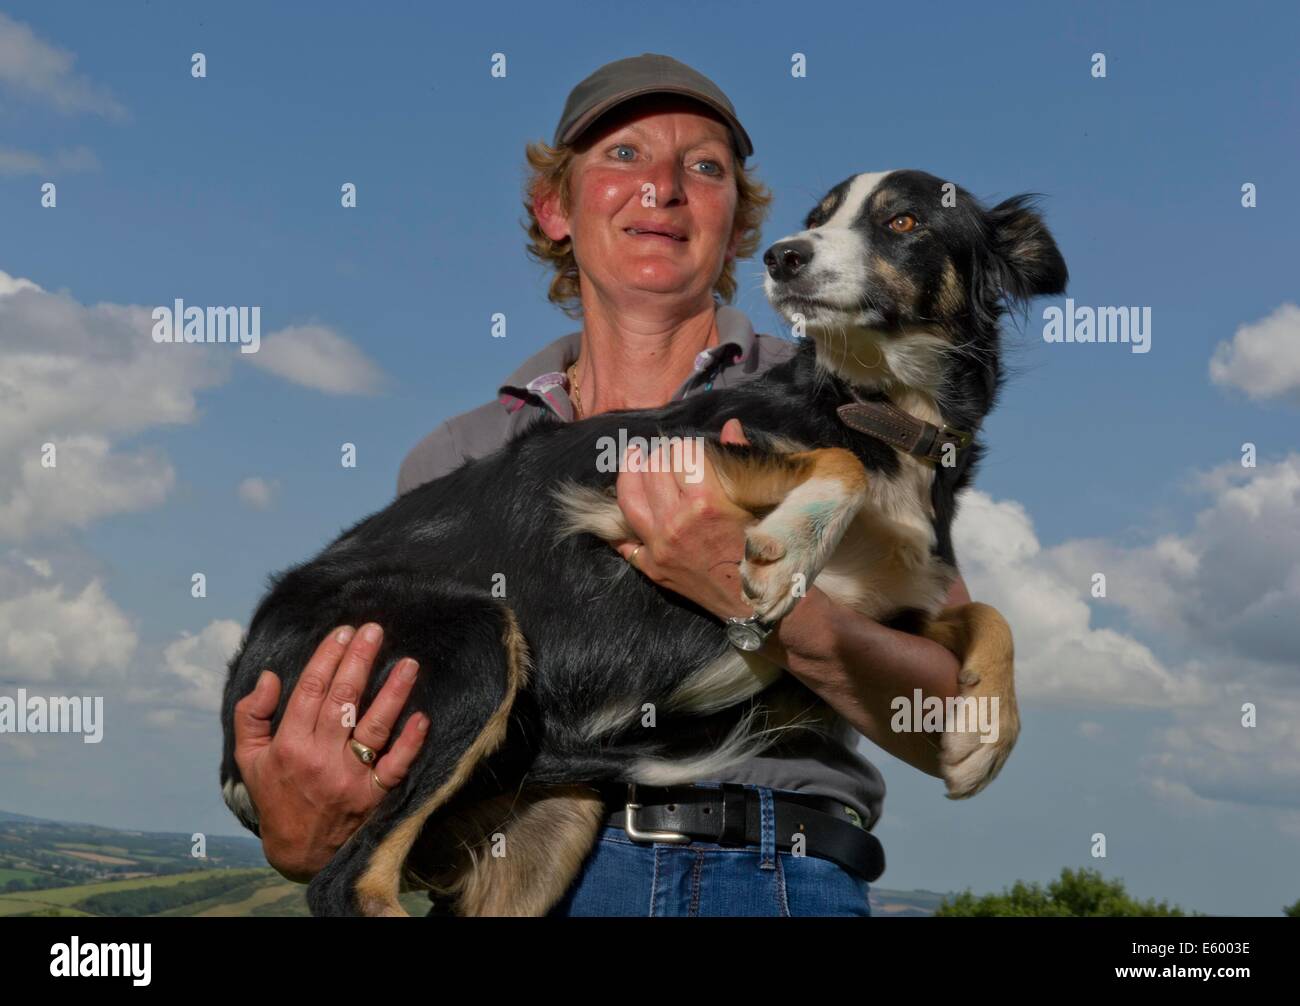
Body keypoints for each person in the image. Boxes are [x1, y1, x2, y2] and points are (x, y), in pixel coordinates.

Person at [232, 54, 969, 917]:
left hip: (776, 868)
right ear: (555, 210)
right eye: (622, 157)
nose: (663, 187)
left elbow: (950, 722)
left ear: (739, 227)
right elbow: (361, 765)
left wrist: (759, 597)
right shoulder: (461, 458)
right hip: (535, 865)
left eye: (704, 167)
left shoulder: (854, 408)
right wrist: (295, 827)